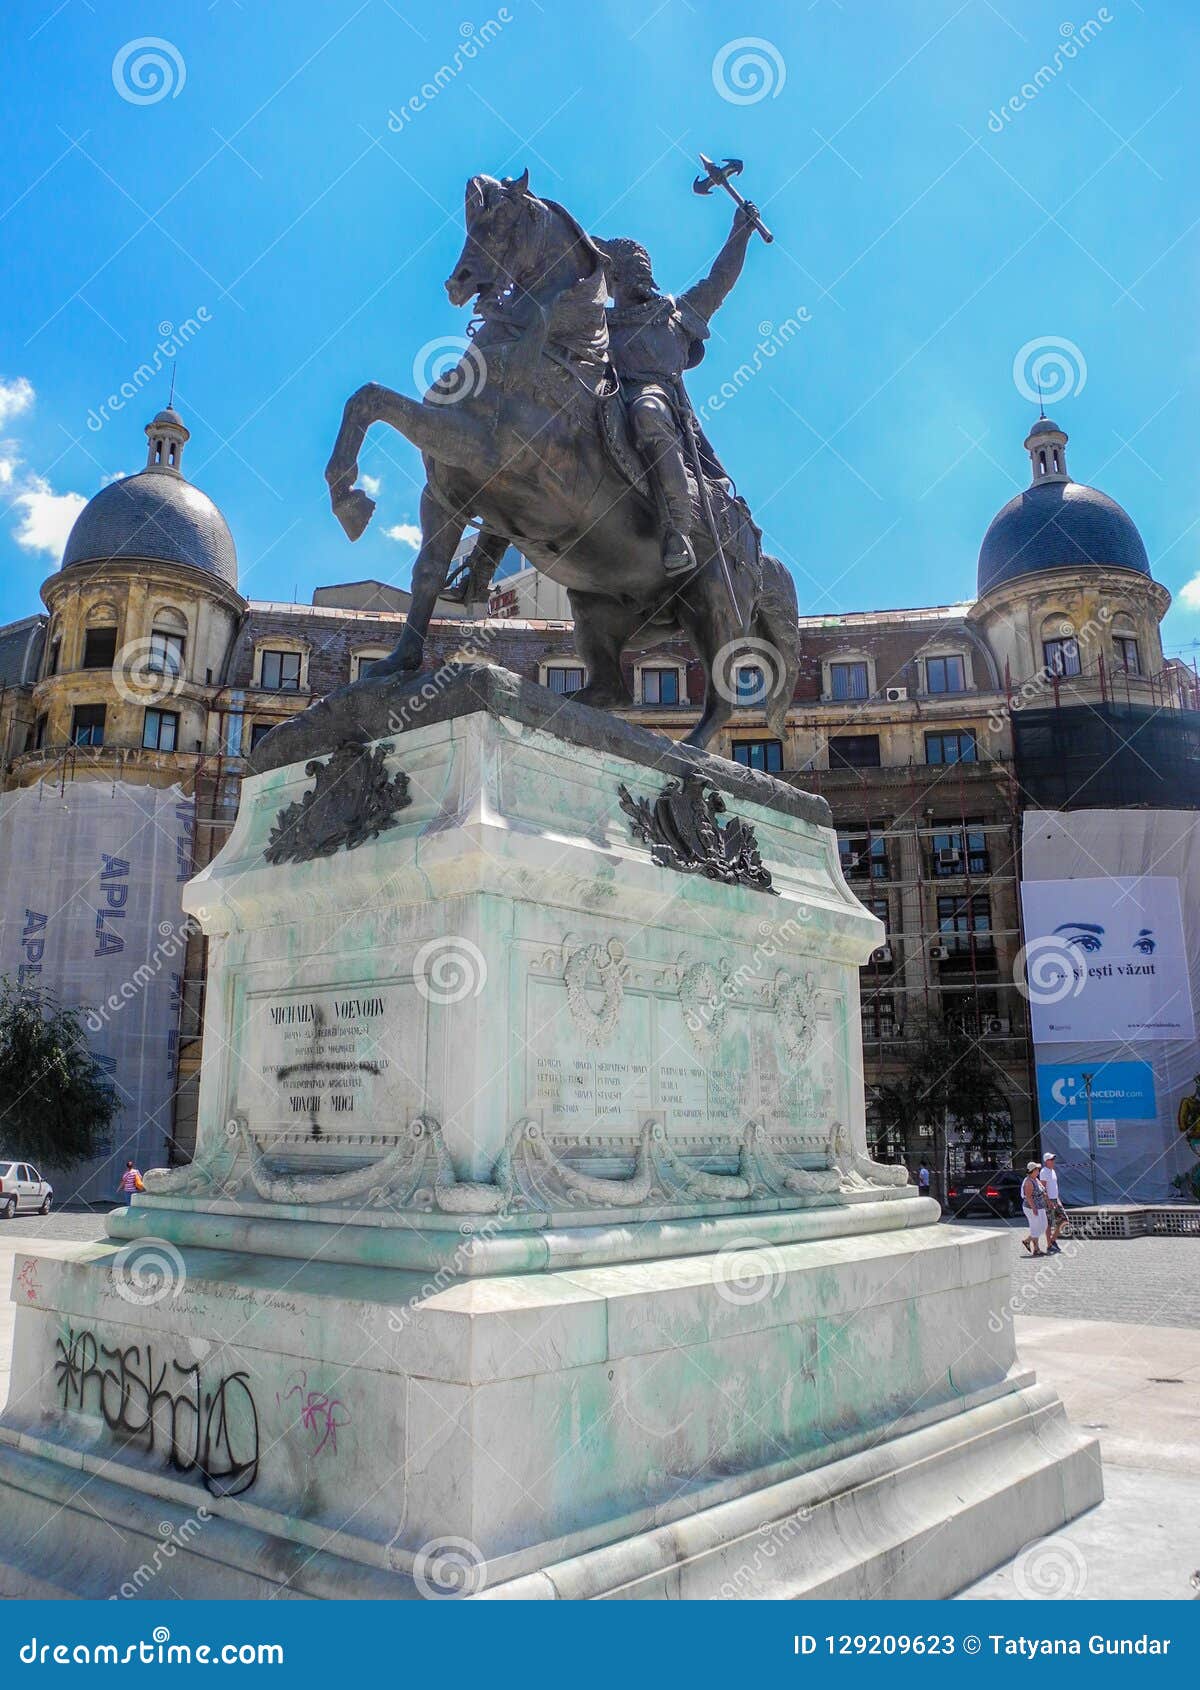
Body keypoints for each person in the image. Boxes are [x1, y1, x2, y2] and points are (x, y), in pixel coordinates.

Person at [596, 202, 759, 576]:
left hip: (653, 398)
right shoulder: (597, 322)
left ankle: (677, 531)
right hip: (604, 394)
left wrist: (740, 232)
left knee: (648, 412)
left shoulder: (673, 314)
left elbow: (720, 280)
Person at [1020, 1161, 1049, 1257]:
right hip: (1031, 1207)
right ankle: (1034, 1247)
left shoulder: (1035, 1179)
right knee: (1036, 1227)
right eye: (1037, 1169)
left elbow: (1042, 1191)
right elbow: (1028, 1197)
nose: (1038, 1171)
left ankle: (1030, 1243)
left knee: (1042, 1226)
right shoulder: (1028, 1181)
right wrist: (1034, 1208)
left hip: (1040, 1206)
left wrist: (1047, 1200)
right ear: (1032, 1170)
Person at [1042, 1150, 1066, 1254]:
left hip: (1056, 1199)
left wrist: (1057, 1199)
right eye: (1051, 1159)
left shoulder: (1053, 1171)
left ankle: (1053, 1240)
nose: (1053, 1161)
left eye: (1053, 1159)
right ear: (1046, 1161)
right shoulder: (1044, 1172)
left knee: (1064, 1220)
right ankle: (1049, 1245)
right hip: (1048, 1200)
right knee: (1049, 1223)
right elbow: (1043, 1188)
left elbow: (1054, 1187)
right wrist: (1048, 1201)